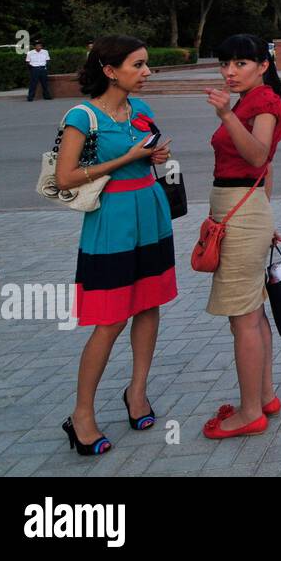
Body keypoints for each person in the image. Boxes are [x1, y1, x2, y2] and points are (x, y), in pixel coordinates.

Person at [53, 35, 176, 456]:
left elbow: (145, 151)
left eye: (146, 64)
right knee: (110, 319)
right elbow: (65, 177)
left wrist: (153, 157)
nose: (146, 72)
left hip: (150, 213)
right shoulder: (81, 116)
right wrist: (126, 159)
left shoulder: (140, 110)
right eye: (138, 65)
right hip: (111, 221)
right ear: (110, 70)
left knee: (148, 304)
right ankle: (81, 414)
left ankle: (136, 392)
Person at [201, 34, 281, 439]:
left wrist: (225, 116)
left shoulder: (261, 102)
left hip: (240, 209)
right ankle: (264, 396)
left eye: (241, 63)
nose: (229, 72)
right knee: (253, 314)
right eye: (225, 63)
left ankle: (249, 414)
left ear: (263, 65)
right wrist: (264, 213)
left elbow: (258, 156)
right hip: (245, 208)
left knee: (244, 319)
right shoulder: (253, 100)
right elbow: (267, 168)